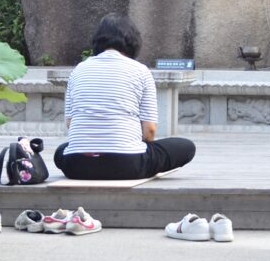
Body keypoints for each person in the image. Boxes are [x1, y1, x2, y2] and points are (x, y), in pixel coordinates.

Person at [52, 14, 196, 180]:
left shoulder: (78, 70)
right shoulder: (140, 71)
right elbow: (149, 131)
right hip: (127, 165)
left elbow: (70, 123)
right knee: (186, 147)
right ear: (133, 42)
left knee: (61, 151)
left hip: (76, 165)